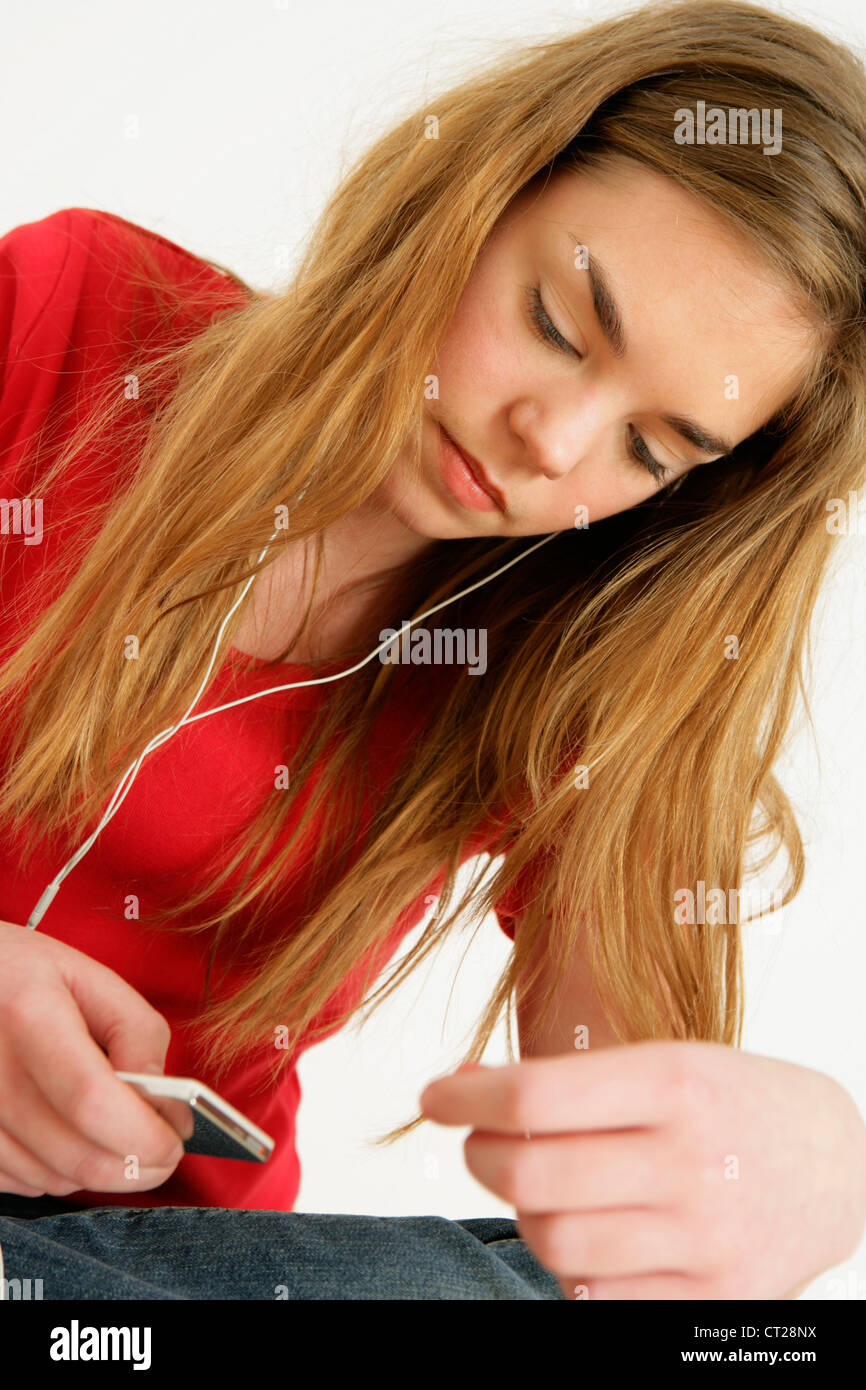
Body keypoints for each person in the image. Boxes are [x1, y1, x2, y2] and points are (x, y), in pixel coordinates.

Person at [0, 0, 865, 1301]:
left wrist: (819, 1173)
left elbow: (618, 1158)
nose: (552, 443)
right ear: (468, 187)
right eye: (560, 322)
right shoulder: (70, 312)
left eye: (649, 449)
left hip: (151, 1267)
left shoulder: (558, 670)